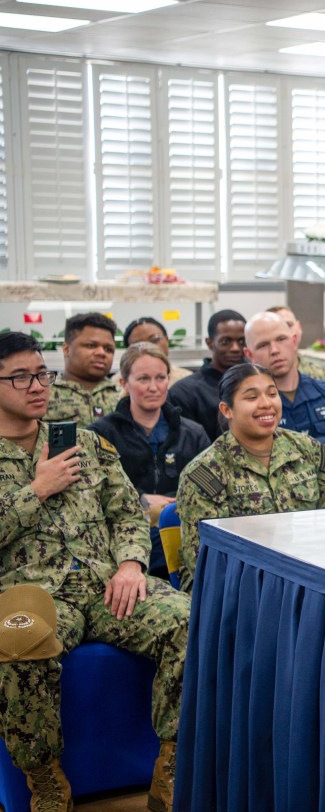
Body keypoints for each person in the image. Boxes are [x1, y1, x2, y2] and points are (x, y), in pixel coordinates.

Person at [0, 332, 189, 812]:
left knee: (190, 621)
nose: (37, 386)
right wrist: (35, 491)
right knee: (19, 645)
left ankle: (171, 766)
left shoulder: (85, 443)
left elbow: (127, 511)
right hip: (31, 592)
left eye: (41, 374)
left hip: (107, 584)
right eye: (20, 377)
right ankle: (44, 779)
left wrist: (130, 562)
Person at [176, 363, 325, 593]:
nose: (266, 403)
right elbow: (207, 563)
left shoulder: (313, 453)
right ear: (227, 410)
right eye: (251, 397)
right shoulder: (206, 473)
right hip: (238, 588)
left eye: (272, 394)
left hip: (311, 578)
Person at [89, 343, 210, 578]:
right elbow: (91, 494)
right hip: (124, 542)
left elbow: (209, 487)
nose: (153, 387)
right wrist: (140, 500)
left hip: (184, 536)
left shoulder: (193, 433)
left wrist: (179, 503)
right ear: (123, 383)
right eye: (143, 379)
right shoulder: (101, 435)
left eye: (160, 377)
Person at [243, 312, 325, 448]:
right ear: (250, 355)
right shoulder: (248, 409)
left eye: (281, 339)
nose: (274, 350)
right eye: (263, 345)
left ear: (294, 341)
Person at [168, 309, 247, 442]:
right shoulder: (184, 392)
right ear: (209, 343)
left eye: (241, 341)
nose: (235, 348)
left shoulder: (258, 384)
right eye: (225, 341)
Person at [45, 312, 122, 424]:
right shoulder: (44, 395)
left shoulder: (124, 396)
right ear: (66, 349)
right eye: (91, 345)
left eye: (108, 349)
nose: (101, 353)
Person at [267, 304, 325, 383]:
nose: (285, 333)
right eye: (278, 328)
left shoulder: (320, 374)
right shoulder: (258, 378)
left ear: (299, 327)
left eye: (288, 325)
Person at [124, 316, 192, 384]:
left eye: (155, 340)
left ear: (167, 341)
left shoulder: (187, 380)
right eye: (139, 344)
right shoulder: (118, 383)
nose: (148, 347)